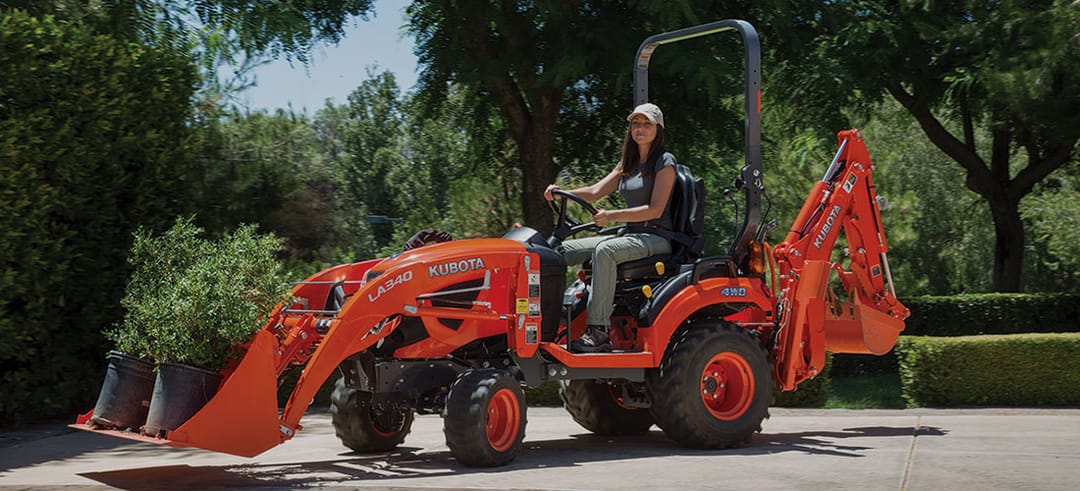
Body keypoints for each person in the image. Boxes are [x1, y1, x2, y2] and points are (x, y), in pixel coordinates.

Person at [544, 103, 677, 352]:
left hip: (656, 236)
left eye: (646, 124)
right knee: (558, 251)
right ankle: (551, 313)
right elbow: (595, 192)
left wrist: (612, 216)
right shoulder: (628, 163)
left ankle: (598, 331)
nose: (640, 128)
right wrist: (562, 193)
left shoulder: (664, 162)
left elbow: (655, 209)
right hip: (631, 236)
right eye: (636, 123)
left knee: (605, 251)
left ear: (658, 129)